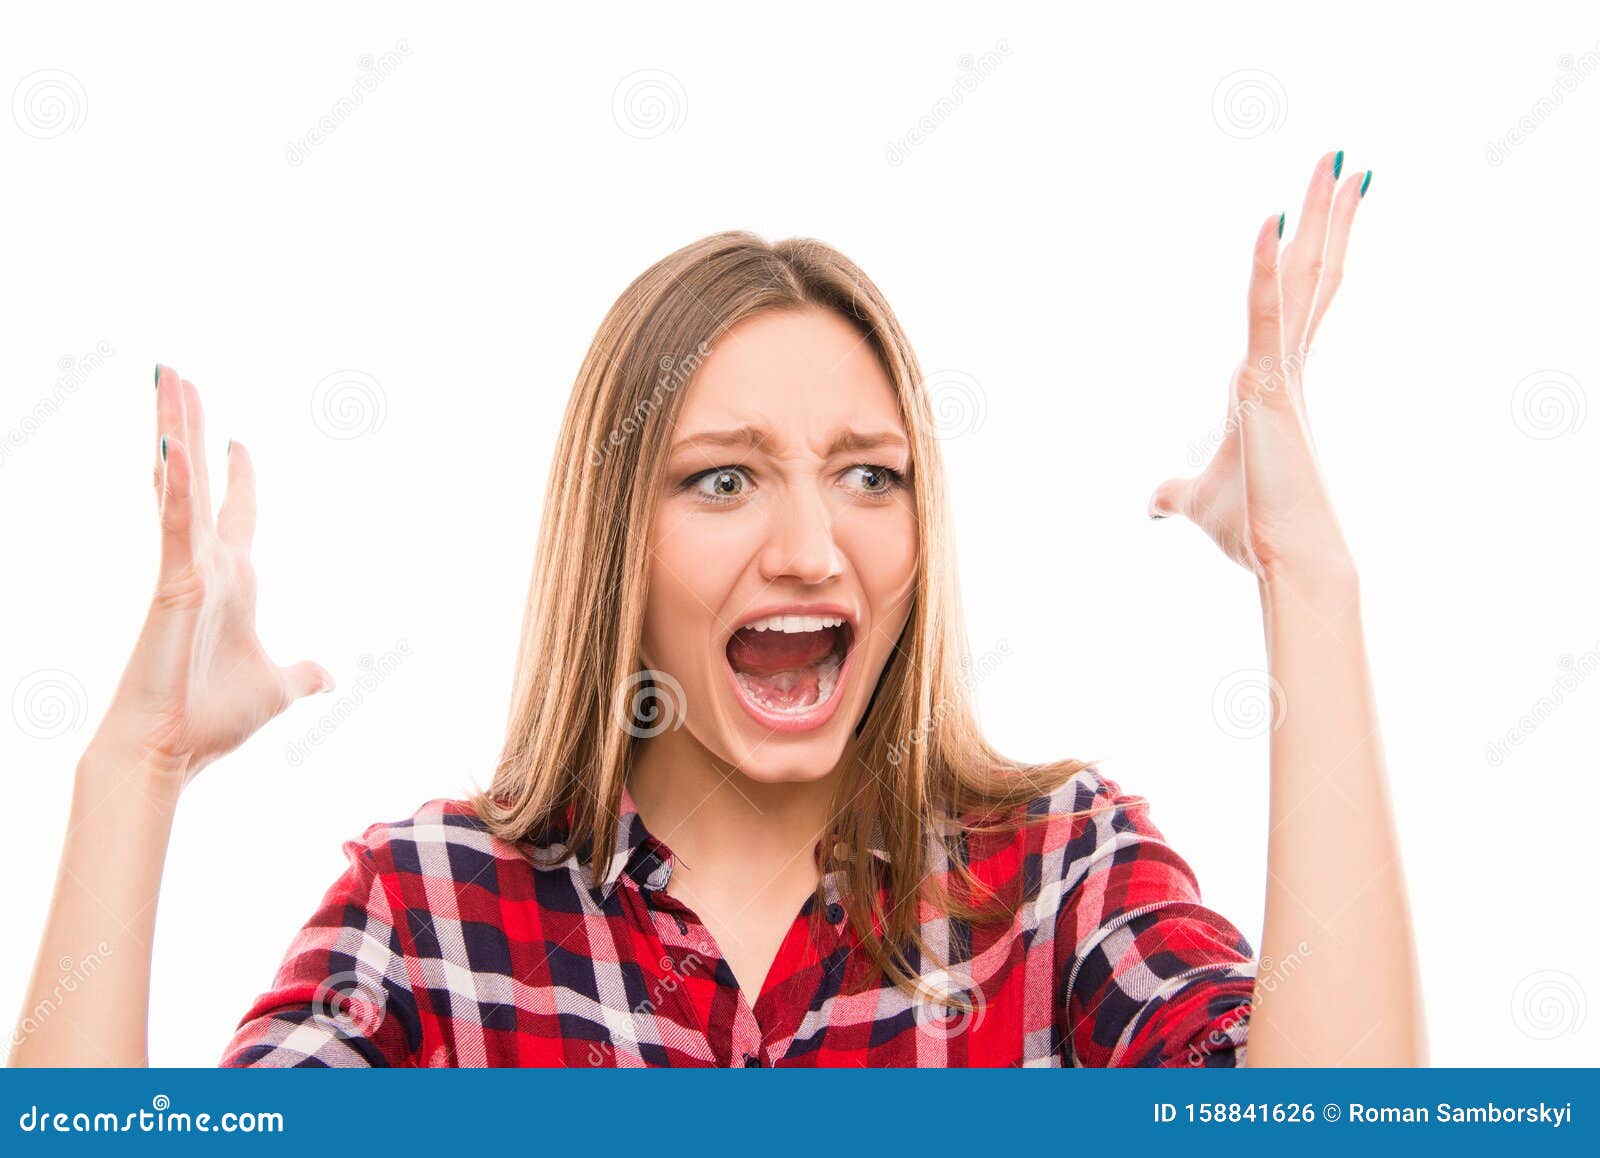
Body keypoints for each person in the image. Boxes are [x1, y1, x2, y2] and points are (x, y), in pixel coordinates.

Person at [9, 151, 1422, 1067]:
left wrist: (1311, 579)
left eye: (871, 475)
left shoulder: (1057, 880)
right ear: (615, 544)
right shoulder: (434, 910)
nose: (813, 547)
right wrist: (133, 770)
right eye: (724, 479)